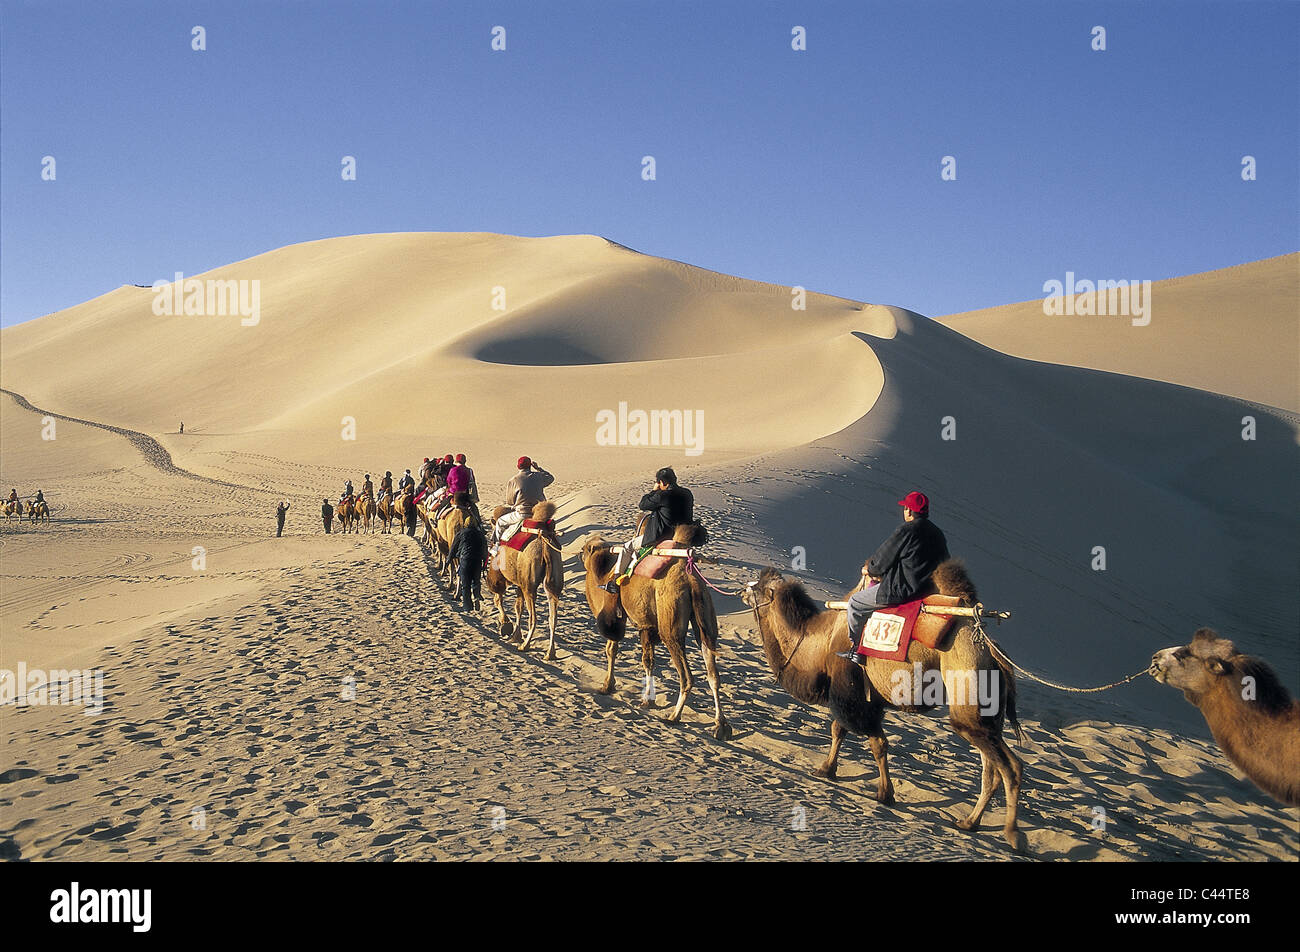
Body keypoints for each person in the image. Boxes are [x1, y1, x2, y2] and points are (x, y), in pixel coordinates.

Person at [843, 491, 950, 659]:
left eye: (905, 508)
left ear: (909, 510)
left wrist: (869, 570)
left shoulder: (906, 530)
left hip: (900, 591)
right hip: (928, 591)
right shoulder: (938, 533)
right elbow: (946, 563)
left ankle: (856, 649)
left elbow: (880, 563)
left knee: (855, 603)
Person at [609, 467, 694, 589]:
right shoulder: (687, 493)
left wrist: (654, 491)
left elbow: (643, 505)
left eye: (659, 483)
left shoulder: (662, 496)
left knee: (627, 547)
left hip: (660, 536)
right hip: (682, 536)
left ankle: (615, 581)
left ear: (663, 483)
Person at [492, 456, 554, 549]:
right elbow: (551, 478)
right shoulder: (539, 476)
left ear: (518, 467)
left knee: (500, 522)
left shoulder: (513, 480)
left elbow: (510, 502)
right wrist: (538, 468)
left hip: (522, 514)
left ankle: (496, 547)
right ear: (530, 466)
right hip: (538, 515)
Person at [449, 517, 489, 612]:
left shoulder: (461, 533)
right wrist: (485, 563)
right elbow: (485, 549)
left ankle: (467, 606)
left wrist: (449, 559)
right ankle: (476, 596)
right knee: (476, 581)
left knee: (465, 584)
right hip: (477, 560)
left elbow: (453, 547)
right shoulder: (480, 534)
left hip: (465, 560)